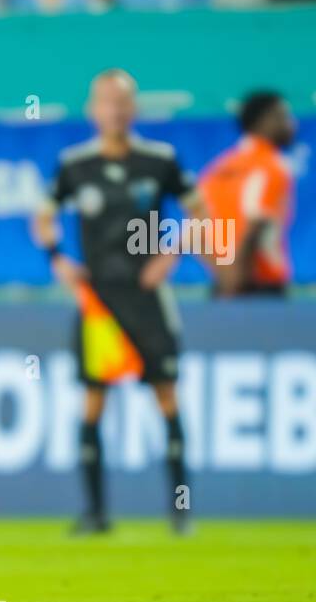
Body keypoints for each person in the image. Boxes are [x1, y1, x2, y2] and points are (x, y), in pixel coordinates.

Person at [32, 70, 205, 535]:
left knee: (166, 396)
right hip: (99, 303)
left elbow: (201, 210)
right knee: (92, 401)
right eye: (107, 102)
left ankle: (180, 513)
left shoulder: (159, 160)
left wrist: (169, 256)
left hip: (147, 296)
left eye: (123, 103)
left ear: (135, 110)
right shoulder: (74, 165)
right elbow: (43, 217)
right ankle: (96, 513)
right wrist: (58, 261)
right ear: (93, 110)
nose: (116, 111)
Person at [198, 91, 298, 297]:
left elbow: (196, 231)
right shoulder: (272, 167)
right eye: (283, 116)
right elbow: (256, 223)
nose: (292, 124)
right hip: (259, 289)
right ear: (263, 121)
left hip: (222, 287)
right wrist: (238, 280)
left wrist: (224, 277)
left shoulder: (216, 168)